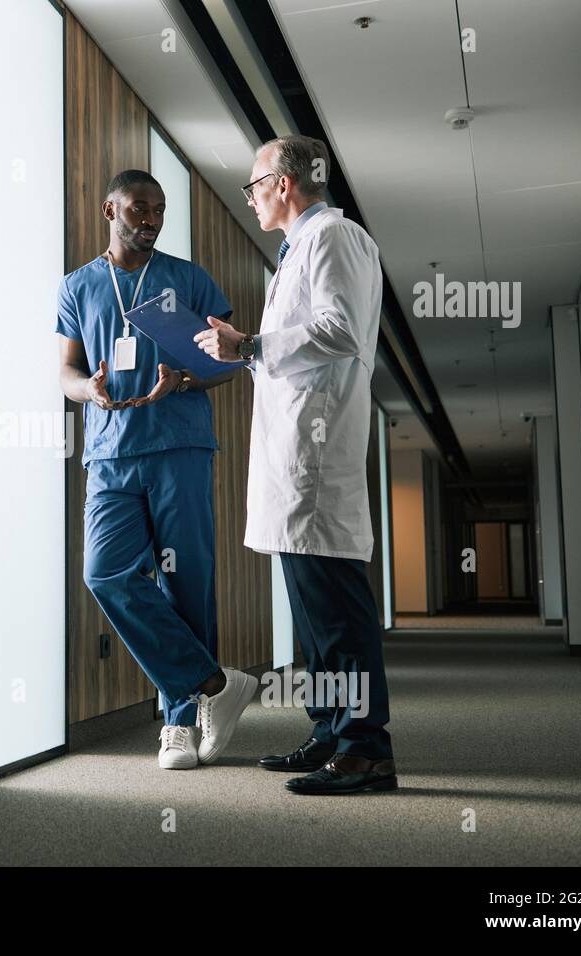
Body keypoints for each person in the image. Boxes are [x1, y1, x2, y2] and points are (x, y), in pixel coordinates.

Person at [193, 135, 398, 794]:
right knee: (314, 619)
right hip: (294, 455)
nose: (250, 197)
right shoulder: (300, 250)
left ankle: (365, 748)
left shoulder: (335, 238)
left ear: (284, 183)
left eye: (254, 184)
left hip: (316, 458)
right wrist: (246, 351)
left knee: (336, 614)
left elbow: (339, 330)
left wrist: (251, 342)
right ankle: (332, 732)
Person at [57, 169, 259, 770]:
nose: (150, 220)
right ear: (108, 210)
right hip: (110, 452)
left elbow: (234, 358)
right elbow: (64, 372)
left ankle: (178, 724)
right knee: (106, 573)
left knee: (186, 581)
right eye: (139, 209)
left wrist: (191, 378)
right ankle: (214, 686)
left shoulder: (188, 278)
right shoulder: (77, 287)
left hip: (180, 445)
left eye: (159, 211)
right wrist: (85, 391)